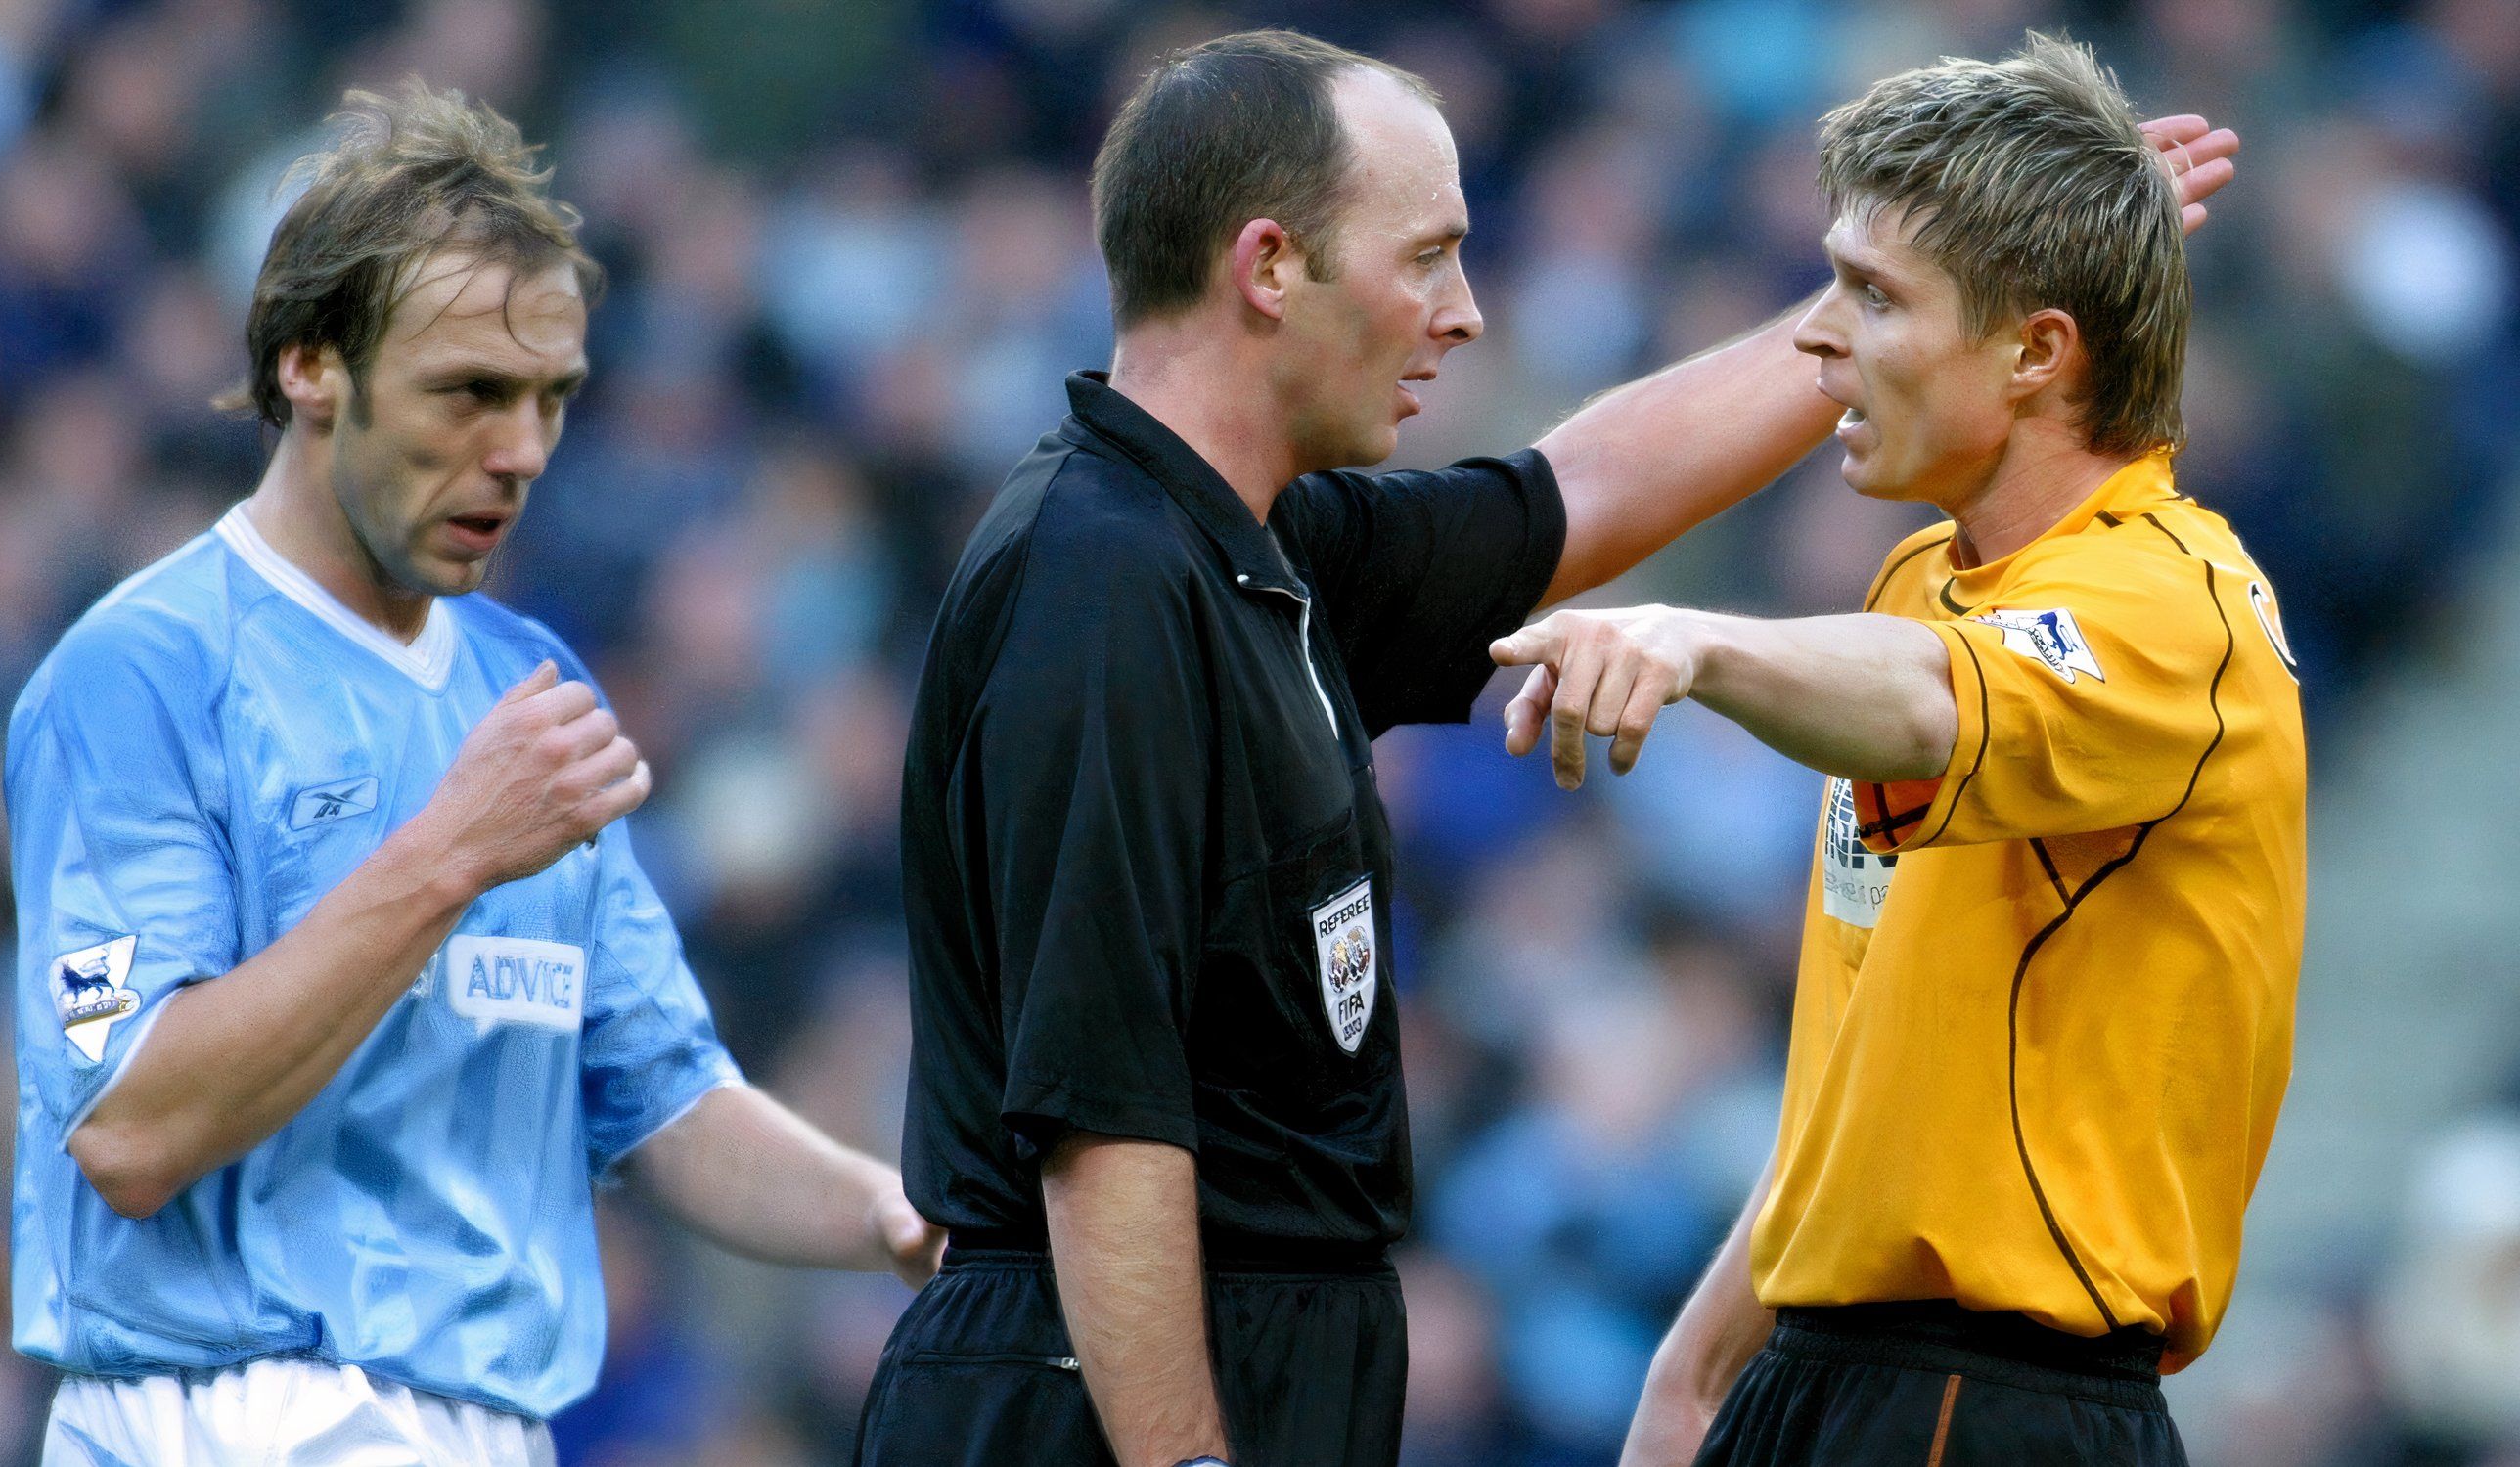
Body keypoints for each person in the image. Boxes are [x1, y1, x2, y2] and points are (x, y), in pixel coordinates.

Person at [864, 29, 2237, 1467]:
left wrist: (1943, 290)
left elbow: (1583, 489)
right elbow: (1103, 1126)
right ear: (1270, 267)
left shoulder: (1262, 552)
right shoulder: (1101, 578)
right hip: (1098, 1393)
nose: (1464, 314)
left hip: (1243, 1359)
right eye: (1426, 257)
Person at [8, 83, 939, 1467]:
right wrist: (450, 854)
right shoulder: (138, 676)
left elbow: (662, 1094)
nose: (522, 453)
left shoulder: (529, 685)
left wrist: (888, 1217)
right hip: (222, 1420)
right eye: (470, 392)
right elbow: (130, 1127)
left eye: (552, 399)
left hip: (490, 1428)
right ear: (311, 365)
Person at [1489, 37, 2299, 1467]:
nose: (1817, 339)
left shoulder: (2178, 604)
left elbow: (1938, 702)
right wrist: (1695, 1370)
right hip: (1823, 1371)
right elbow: (1873, 1071)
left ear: (2037, 352)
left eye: (1874, 295)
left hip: (1995, 1398)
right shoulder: (1920, 580)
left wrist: (1695, 642)